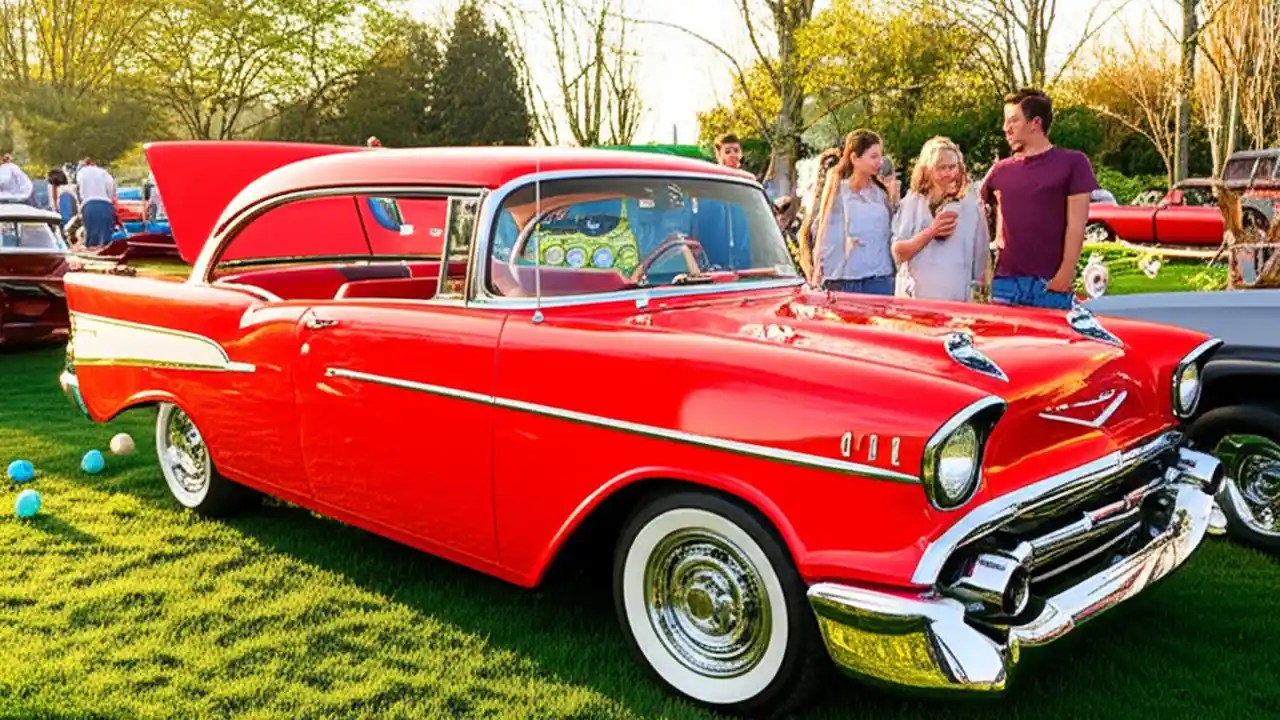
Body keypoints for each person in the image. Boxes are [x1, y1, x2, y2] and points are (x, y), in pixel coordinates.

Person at [980, 88, 1099, 309]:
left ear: (1036, 123)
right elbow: (974, 211)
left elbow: (1077, 226)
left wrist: (1064, 275)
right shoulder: (999, 170)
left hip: (1050, 284)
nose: (1006, 128)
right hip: (1005, 285)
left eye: (1013, 120)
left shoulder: (1073, 163)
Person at [891, 137, 990, 302]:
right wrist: (931, 232)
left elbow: (980, 259)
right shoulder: (913, 203)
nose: (948, 173)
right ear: (927, 170)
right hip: (916, 300)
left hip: (956, 301)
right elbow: (898, 253)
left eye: (952, 167)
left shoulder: (971, 206)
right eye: (941, 167)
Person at [809, 129, 897, 295]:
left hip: (879, 277)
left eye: (880, 156)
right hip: (843, 278)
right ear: (855, 158)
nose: (879, 162)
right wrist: (817, 266)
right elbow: (820, 229)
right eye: (873, 156)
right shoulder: (837, 191)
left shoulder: (881, 194)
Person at [75, 158, 118, 248]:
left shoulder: (81, 173)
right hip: (105, 204)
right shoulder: (104, 172)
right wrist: (108, 199)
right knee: (106, 234)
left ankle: (91, 249)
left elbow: (79, 190)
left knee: (91, 234)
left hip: (89, 204)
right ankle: (105, 249)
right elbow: (111, 188)